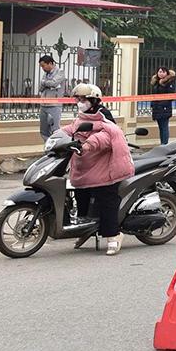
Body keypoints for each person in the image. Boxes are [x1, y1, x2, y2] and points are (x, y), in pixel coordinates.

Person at [62, 85, 135, 255]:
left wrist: (89, 144)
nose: (80, 103)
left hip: (105, 167)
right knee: (79, 192)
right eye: (78, 99)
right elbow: (73, 128)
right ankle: (86, 228)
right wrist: (56, 137)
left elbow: (107, 135)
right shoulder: (83, 116)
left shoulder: (103, 116)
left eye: (83, 99)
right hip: (86, 165)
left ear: (93, 100)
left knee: (105, 198)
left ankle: (113, 236)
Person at [37, 55, 69, 139]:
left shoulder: (60, 72)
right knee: (43, 130)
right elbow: (40, 88)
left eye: (43, 66)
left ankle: (55, 148)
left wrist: (45, 83)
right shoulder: (45, 74)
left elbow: (54, 83)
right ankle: (48, 147)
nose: (42, 68)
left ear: (50, 63)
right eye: (41, 66)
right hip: (43, 104)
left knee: (54, 129)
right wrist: (47, 83)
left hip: (54, 105)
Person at [149, 66, 176, 145]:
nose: (161, 73)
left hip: (164, 108)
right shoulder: (155, 82)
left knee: (164, 127)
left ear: (167, 73)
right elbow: (154, 95)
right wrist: (153, 104)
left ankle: (164, 144)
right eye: (160, 72)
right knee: (160, 127)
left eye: (163, 72)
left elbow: (171, 96)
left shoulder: (169, 83)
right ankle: (162, 143)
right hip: (156, 108)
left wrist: (161, 104)